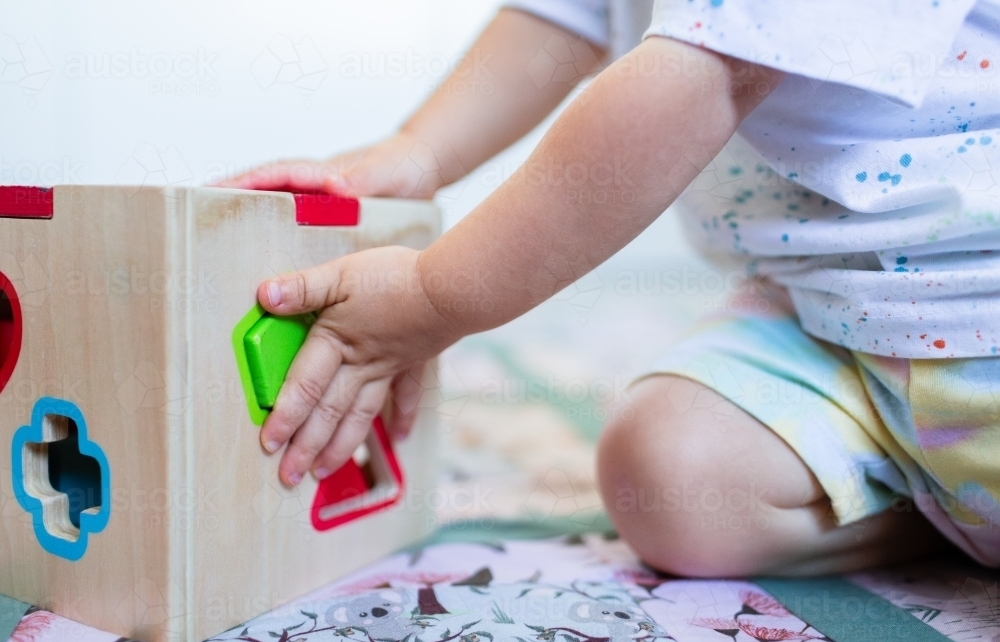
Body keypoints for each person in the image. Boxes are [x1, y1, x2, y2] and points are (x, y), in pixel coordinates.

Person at [219, 0, 1000, 575]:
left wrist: (434, 294)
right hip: (822, 315)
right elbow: (569, 17)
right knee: (666, 473)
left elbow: (699, 81)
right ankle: (934, 512)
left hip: (978, 317)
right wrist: (417, 151)